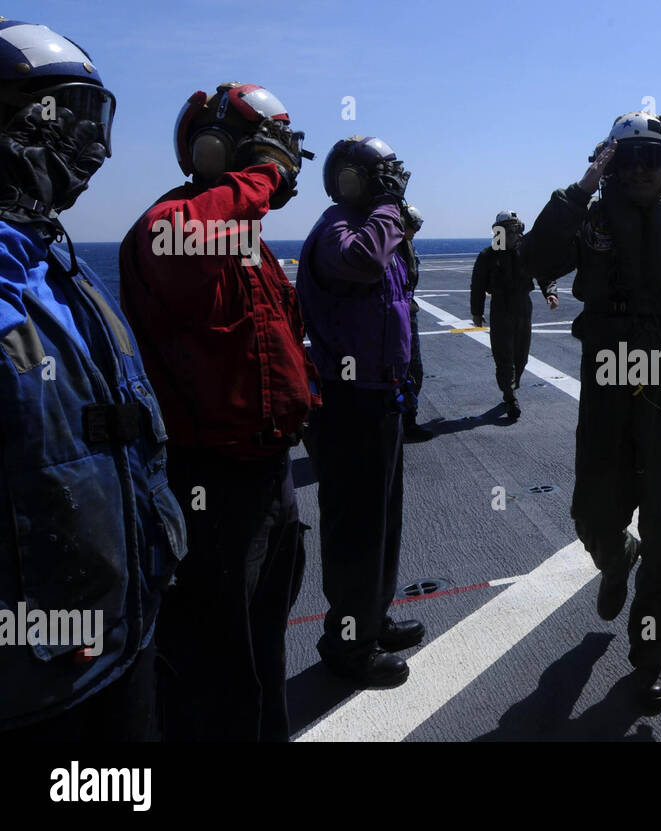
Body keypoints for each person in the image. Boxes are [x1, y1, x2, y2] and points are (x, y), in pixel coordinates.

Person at [523, 111, 661, 708]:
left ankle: (649, 653)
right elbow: (533, 257)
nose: (642, 169)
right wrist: (584, 182)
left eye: (653, 157)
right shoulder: (591, 218)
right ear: (613, 162)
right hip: (607, 381)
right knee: (592, 513)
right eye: (629, 158)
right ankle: (616, 558)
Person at [0, 19, 184, 741]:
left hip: (123, 635)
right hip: (36, 685)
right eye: (61, 117)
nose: (88, 146)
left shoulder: (60, 268)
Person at [118, 81, 318, 741]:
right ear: (214, 152)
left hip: (270, 480)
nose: (280, 172)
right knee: (217, 676)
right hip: (209, 490)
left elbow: (277, 340)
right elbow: (183, 238)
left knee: (264, 653)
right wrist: (260, 173)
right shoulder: (171, 227)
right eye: (268, 151)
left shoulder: (248, 245)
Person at [298, 136, 424, 688]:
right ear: (353, 181)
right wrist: (390, 211)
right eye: (382, 179)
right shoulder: (337, 230)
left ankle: (371, 620)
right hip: (347, 402)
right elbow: (364, 262)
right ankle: (347, 645)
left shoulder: (380, 229)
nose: (391, 189)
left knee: (381, 524)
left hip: (382, 396)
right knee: (355, 531)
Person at [470, 210, 559, 419]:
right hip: (501, 309)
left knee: (521, 357)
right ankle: (510, 396)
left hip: (523, 306)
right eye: (509, 229)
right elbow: (477, 286)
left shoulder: (525, 252)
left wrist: (551, 293)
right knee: (504, 358)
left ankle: (513, 386)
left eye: (515, 228)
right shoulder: (488, 256)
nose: (514, 233)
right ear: (499, 231)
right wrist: (476, 312)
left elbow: (544, 273)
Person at [400, 202, 435, 441]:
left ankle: (404, 420)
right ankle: (406, 422)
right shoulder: (394, 245)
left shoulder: (404, 244)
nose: (416, 231)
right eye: (414, 226)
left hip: (405, 311)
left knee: (411, 372)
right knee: (411, 371)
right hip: (400, 315)